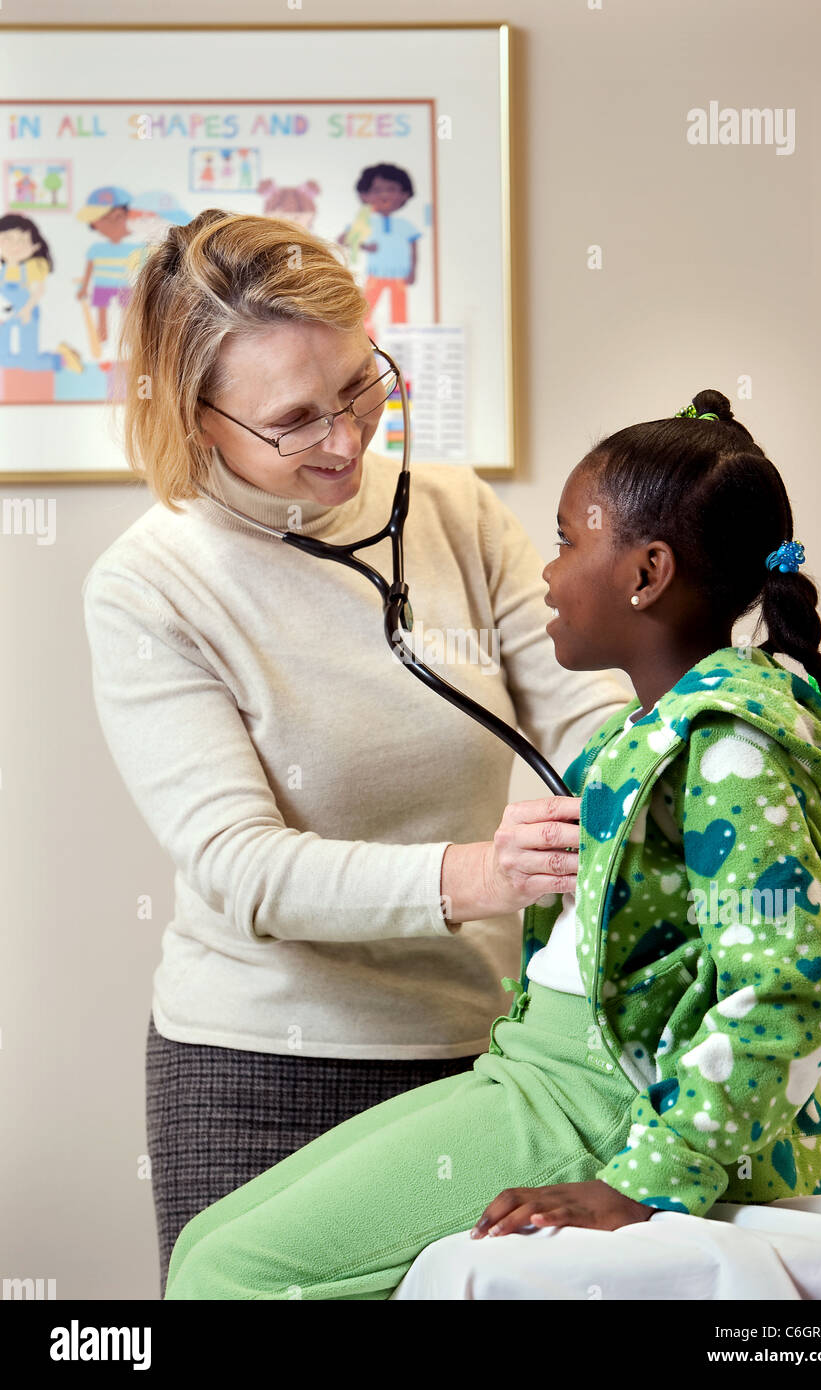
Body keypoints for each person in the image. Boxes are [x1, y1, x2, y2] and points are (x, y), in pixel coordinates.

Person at [162, 388, 821, 1300]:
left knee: (230, 1274)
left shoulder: (730, 747)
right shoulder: (650, 734)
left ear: (646, 574)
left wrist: (646, 1182)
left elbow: (784, 1001)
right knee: (207, 1242)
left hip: (603, 1101)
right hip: (529, 1066)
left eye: (569, 540)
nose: (547, 571)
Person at [80, 208, 633, 1296]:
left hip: (487, 1057)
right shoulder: (151, 586)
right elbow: (240, 864)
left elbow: (590, 713)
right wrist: (477, 872)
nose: (344, 438)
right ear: (197, 420)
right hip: (259, 1065)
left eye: (358, 387)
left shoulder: (452, 510)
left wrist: (716, 769)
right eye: (293, 420)